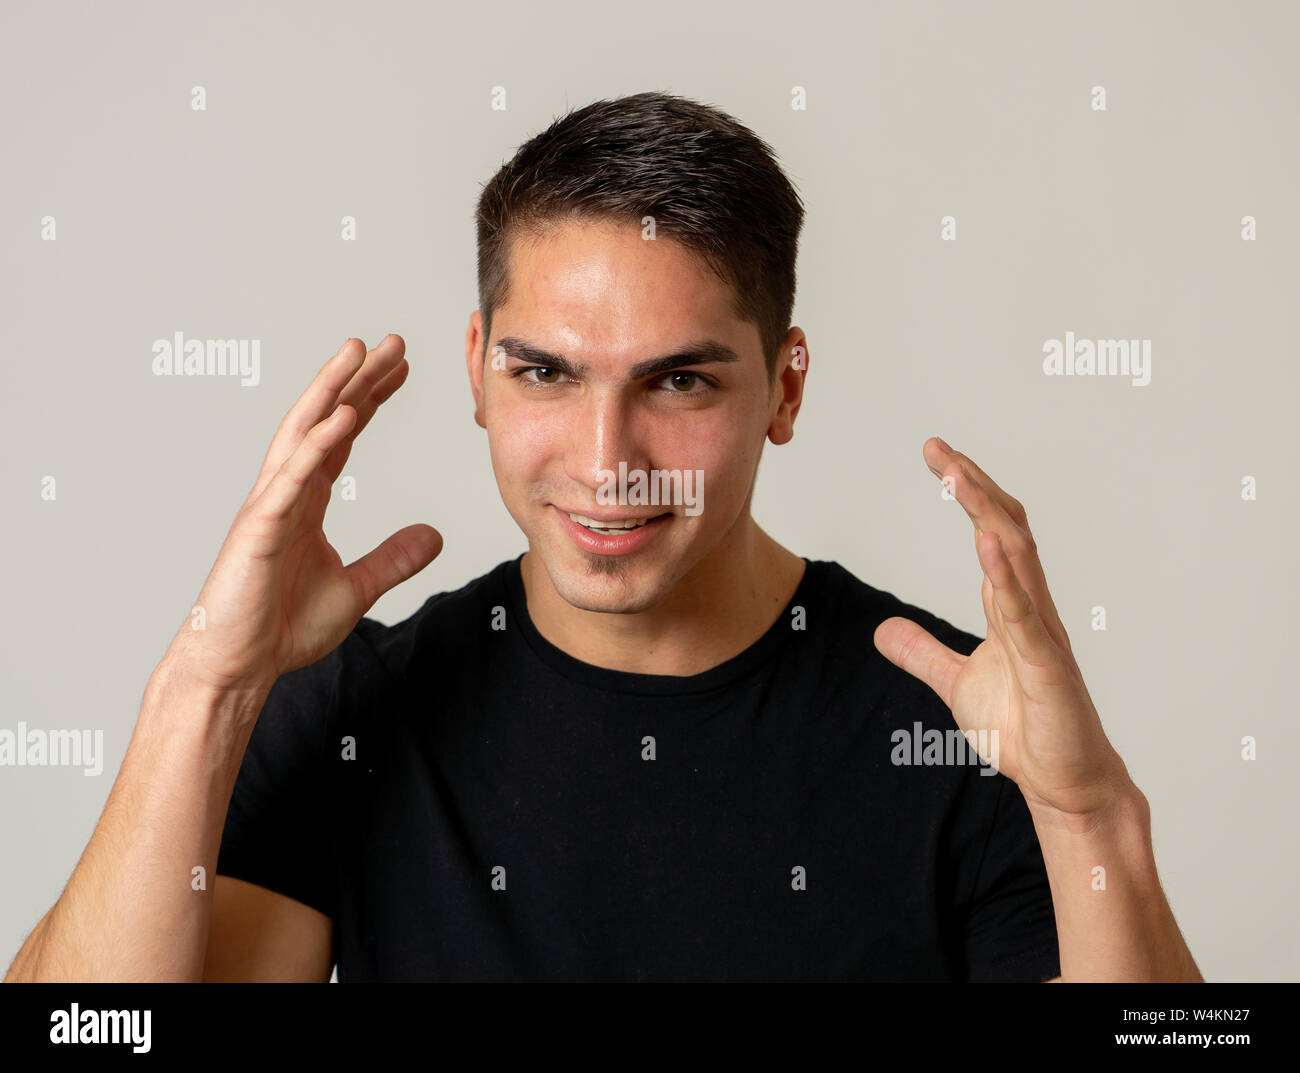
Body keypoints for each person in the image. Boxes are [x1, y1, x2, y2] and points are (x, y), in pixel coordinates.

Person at [4, 92, 1201, 982]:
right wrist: (204, 688)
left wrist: (1090, 813)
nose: (603, 455)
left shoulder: (962, 724)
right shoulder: (360, 707)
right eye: (546, 373)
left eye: (678, 382)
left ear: (784, 390)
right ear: (478, 369)